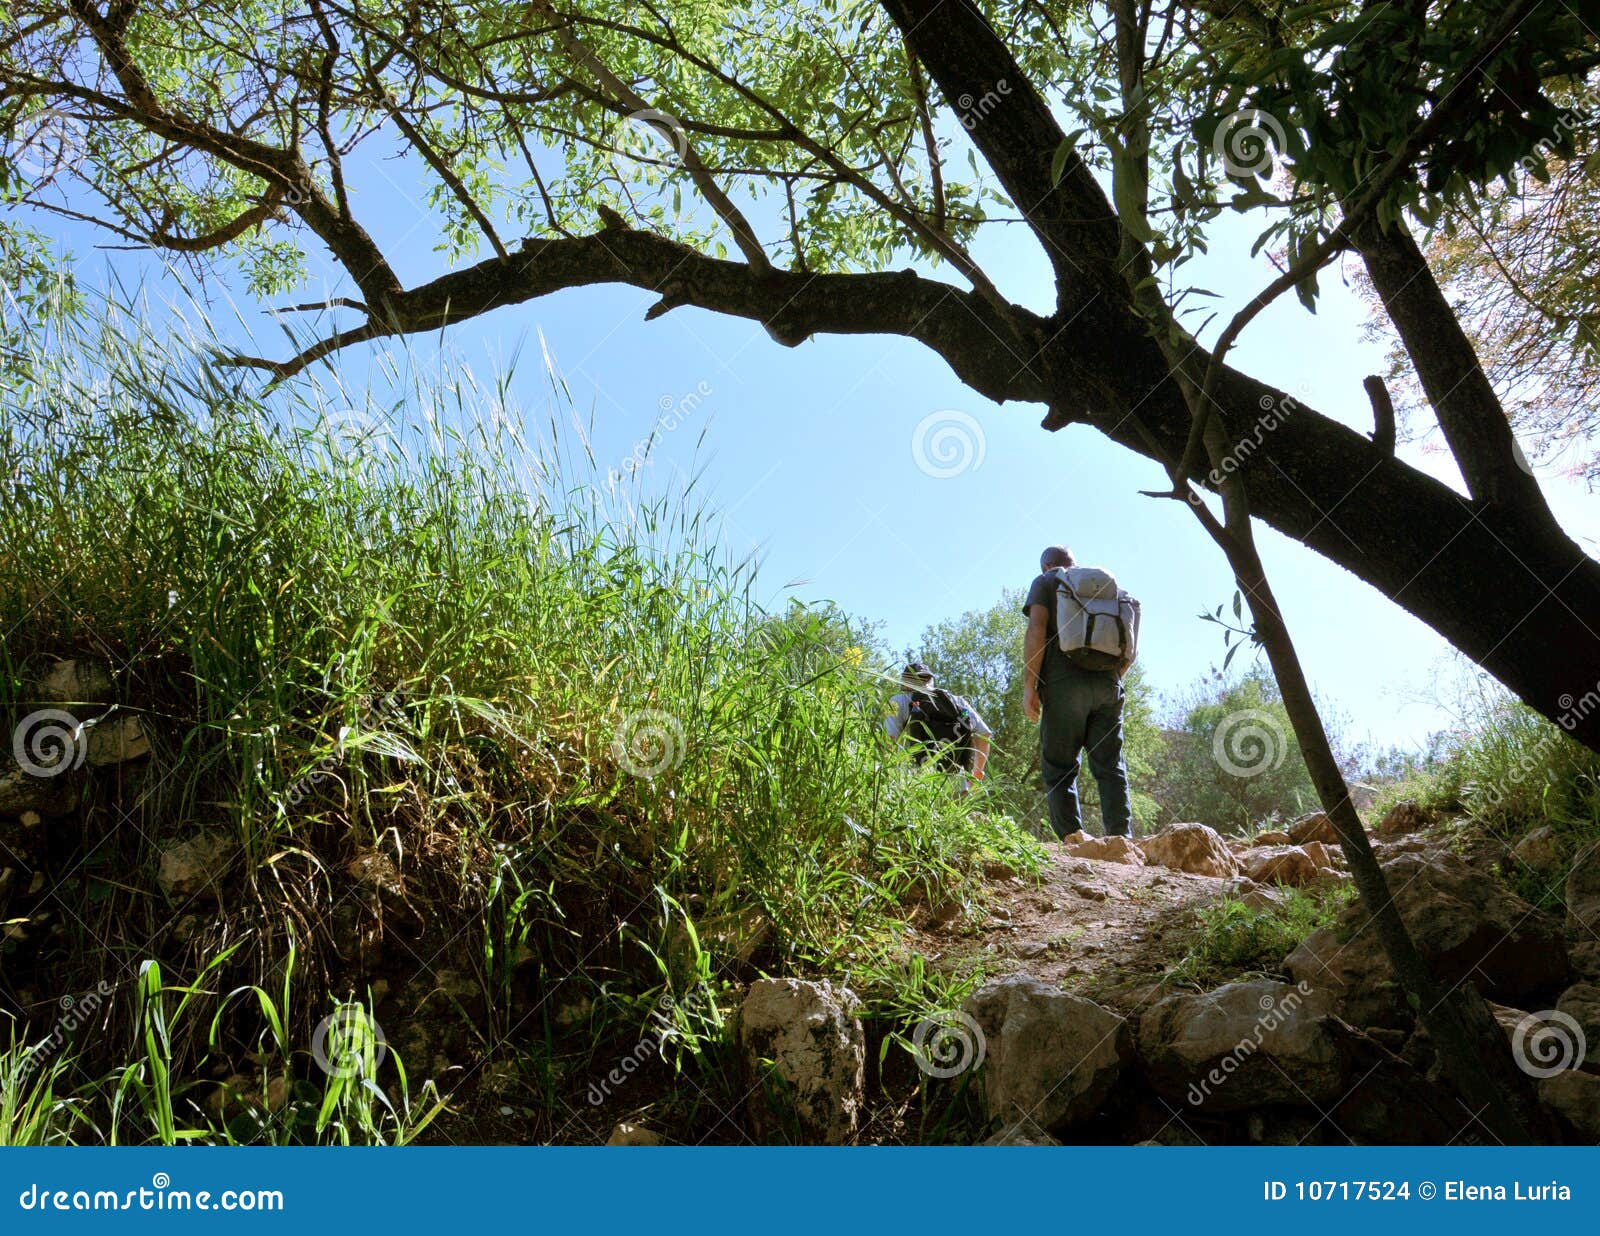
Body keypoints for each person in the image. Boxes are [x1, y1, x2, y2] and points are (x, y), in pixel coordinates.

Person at [1021, 546, 1138, 839]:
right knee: (1111, 765)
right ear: (1074, 564)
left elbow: (1036, 631)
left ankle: (1074, 840)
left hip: (1064, 682)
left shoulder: (1047, 581)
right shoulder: (1108, 589)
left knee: (1059, 766)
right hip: (1109, 683)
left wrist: (1029, 686)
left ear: (1046, 565)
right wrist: (1111, 678)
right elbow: (1131, 649)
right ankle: (1121, 839)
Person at [885, 661, 991, 792]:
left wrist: (889, 777)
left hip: (916, 783)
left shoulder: (898, 701)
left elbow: (890, 740)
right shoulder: (957, 701)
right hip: (955, 783)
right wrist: (977, 773)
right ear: (930, 680)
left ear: (905, 681)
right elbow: (984, 734)